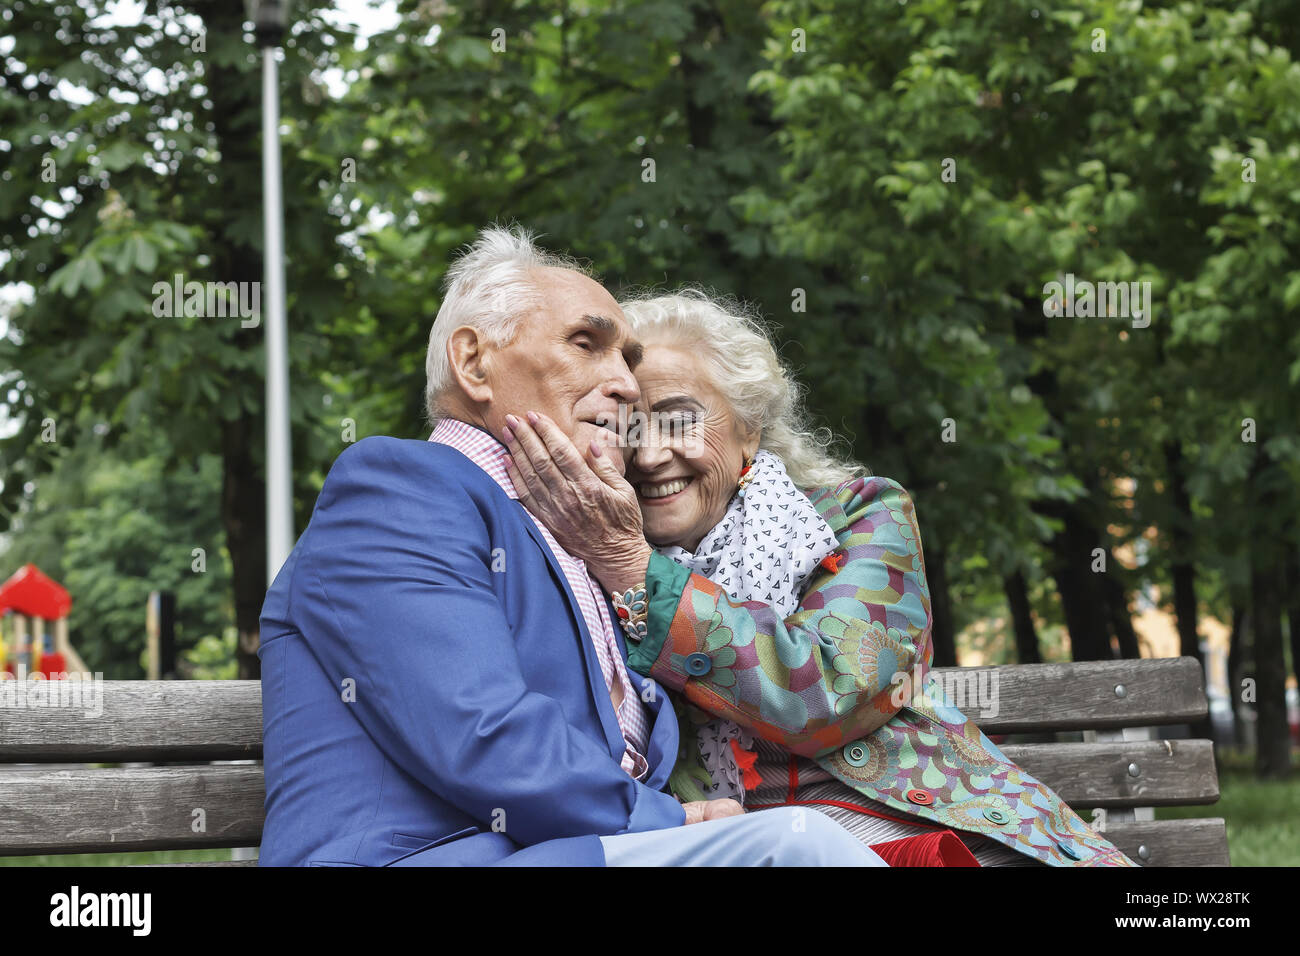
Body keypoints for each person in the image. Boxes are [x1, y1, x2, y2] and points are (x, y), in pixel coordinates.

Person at [256, 227, 887, 866]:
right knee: (796, 851)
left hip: (573, 854)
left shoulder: (579, 537)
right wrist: (670, 820)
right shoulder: (400, 489)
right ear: (474, 362)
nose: (625, 386)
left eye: (629, 361)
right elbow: (479, 732)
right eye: (587, 344)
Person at [501, 289, 1138, 867]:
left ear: (747, 429)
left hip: (930, 841)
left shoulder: (860, 516)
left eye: (677, 418)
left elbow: (823, 695)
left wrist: (634, 570)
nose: (648, 455)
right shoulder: (578, 564)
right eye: (626, 427)